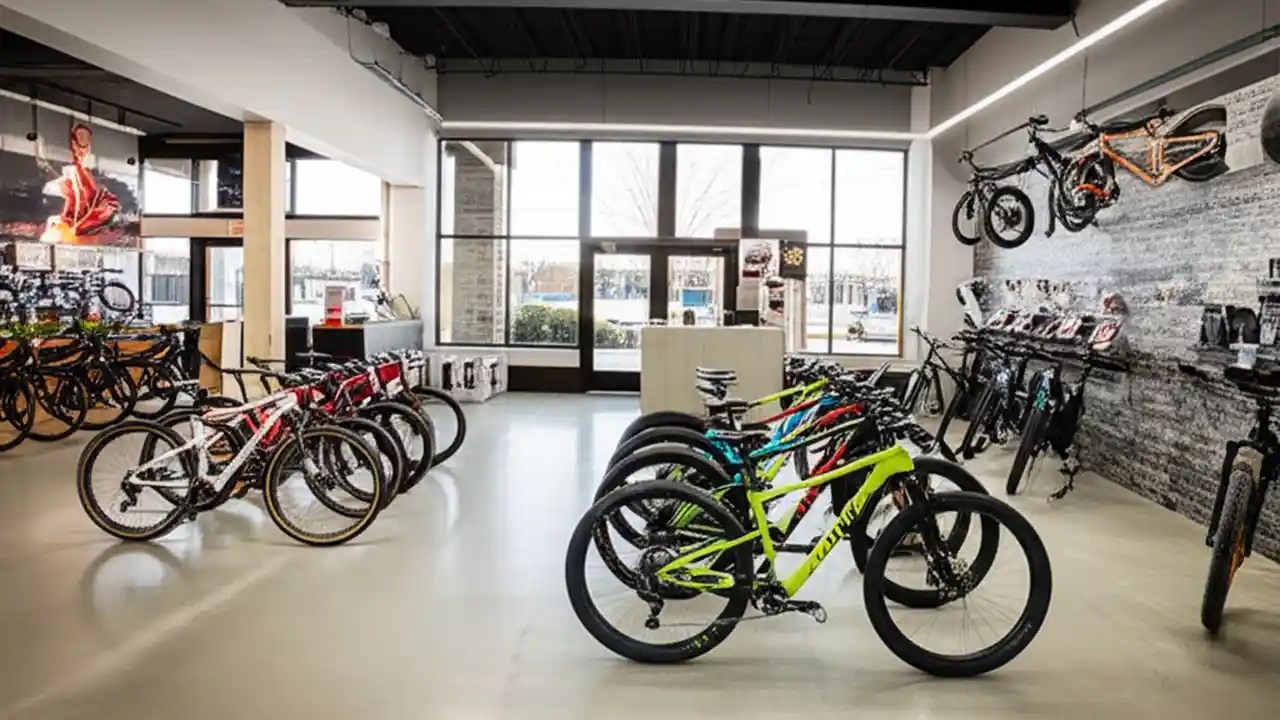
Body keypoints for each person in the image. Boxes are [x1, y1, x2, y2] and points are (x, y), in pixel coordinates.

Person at [40, 124, 121, 244]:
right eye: (80, 138)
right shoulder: (70, 172)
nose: (83, 144)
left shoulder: (86, 172)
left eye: (86, 139)